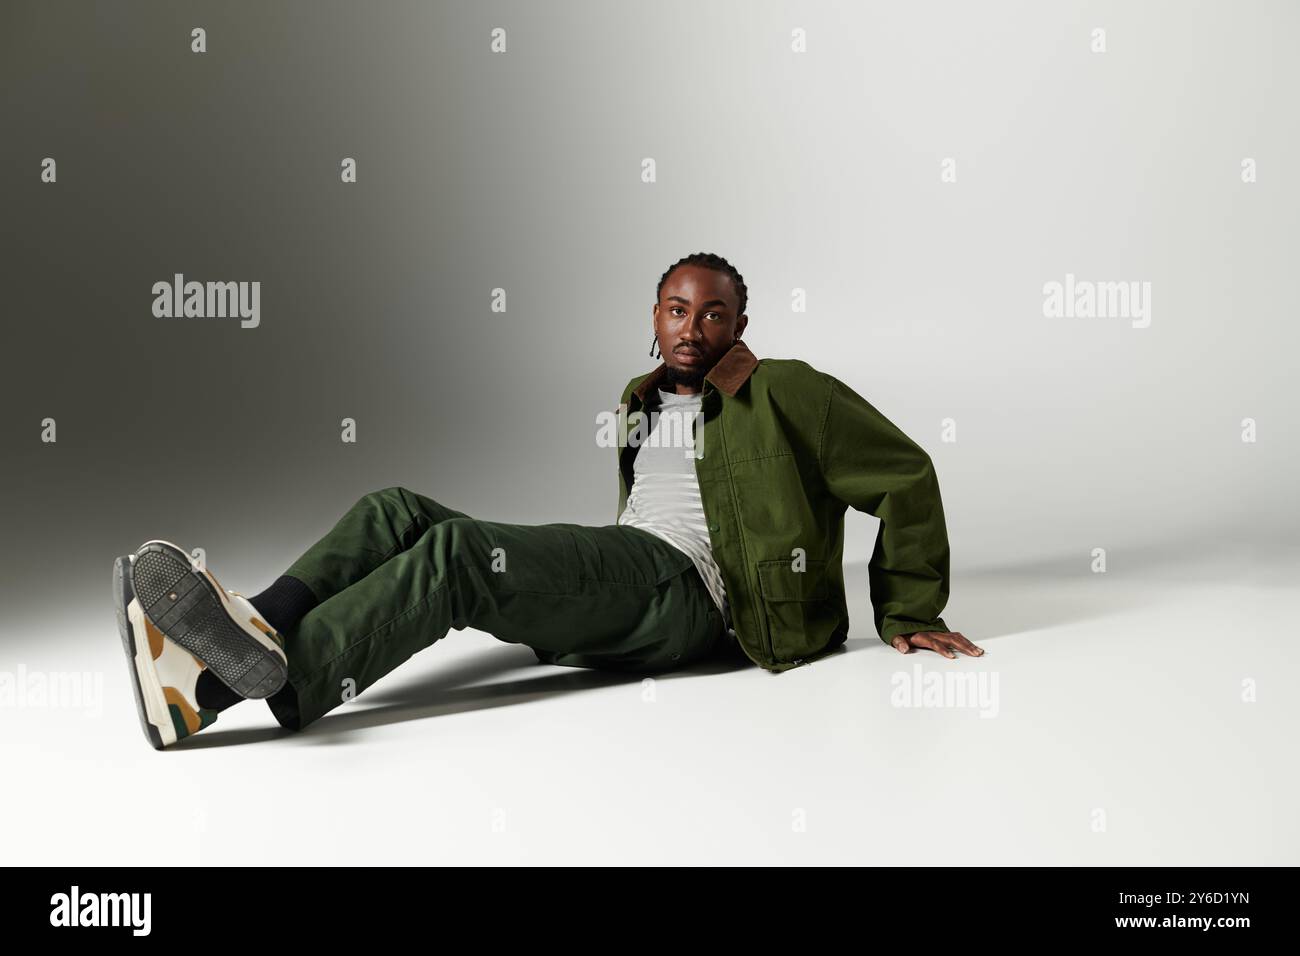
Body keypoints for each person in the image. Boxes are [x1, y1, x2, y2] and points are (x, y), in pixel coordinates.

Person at [112, 252, 982, 750]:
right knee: (396, 508)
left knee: (454, 563)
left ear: (740, 328)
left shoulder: (790, 390)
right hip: (633, 571)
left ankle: (221, 694)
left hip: (695, 597)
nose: (692, 327)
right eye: (677, 310)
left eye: (714, 315)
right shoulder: (641, 399)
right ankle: (252, 630)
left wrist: (907, 605)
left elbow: (905, 472)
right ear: (654, 317)